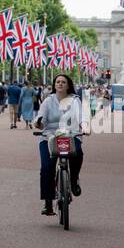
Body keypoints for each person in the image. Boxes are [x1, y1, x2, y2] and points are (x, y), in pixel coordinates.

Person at [34, 73, 89, 217]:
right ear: (54, 85)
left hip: (70, 134)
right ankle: (48, 202)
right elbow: (40, 117)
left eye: (63, 82)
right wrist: (38, 123)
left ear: (68, 85)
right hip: (49, 136)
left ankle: (73, 179)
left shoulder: (75, 100)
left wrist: (85, 127)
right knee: (47, 168)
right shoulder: (48, 101)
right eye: (57, 82)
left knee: (78, 154)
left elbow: (81, 116)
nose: (60, 84)